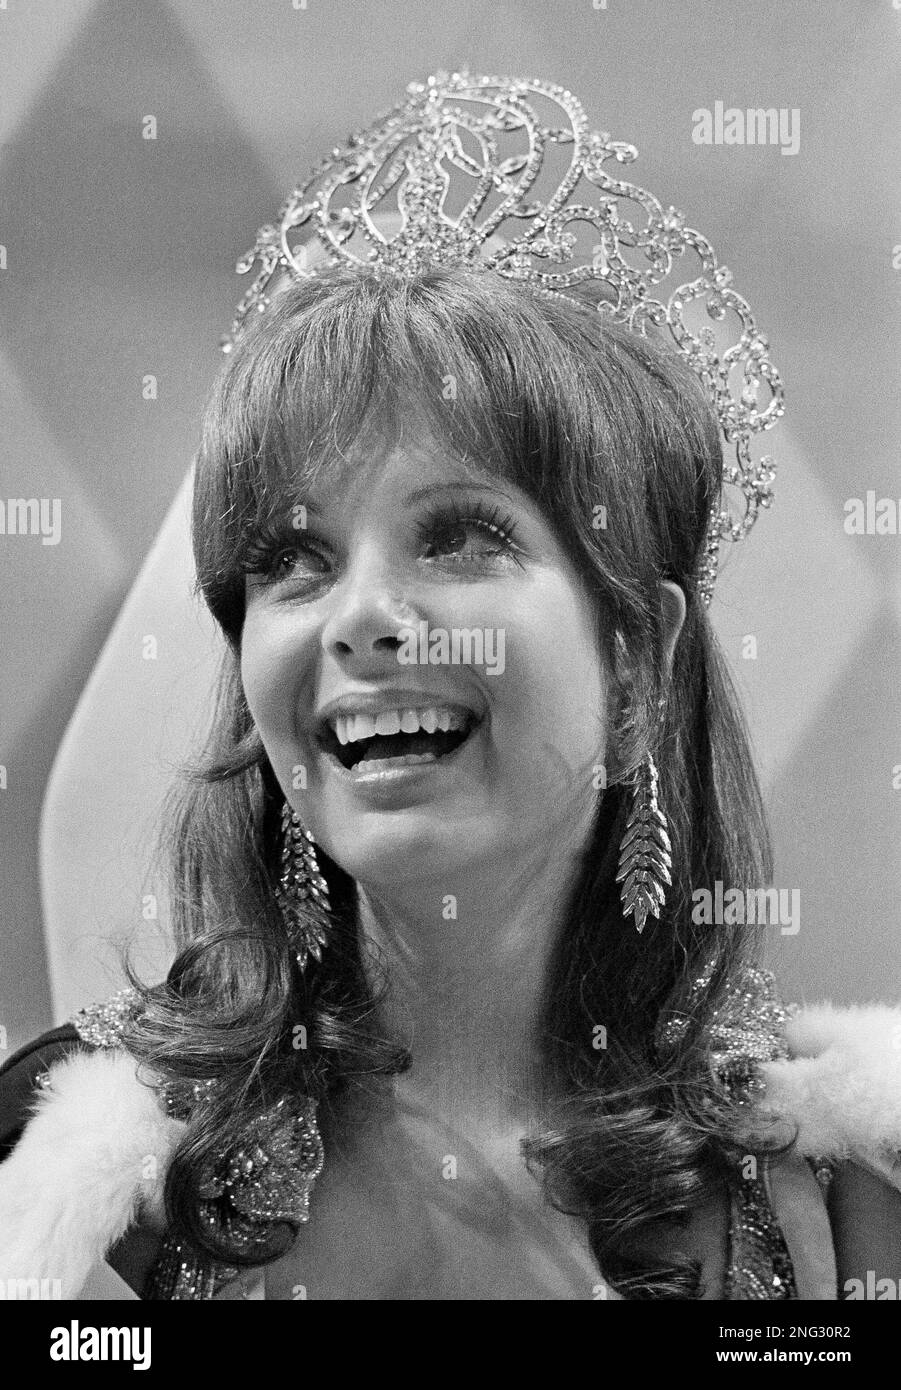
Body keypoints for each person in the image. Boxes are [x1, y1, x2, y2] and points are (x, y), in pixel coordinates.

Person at [1, 71, 899, 1301]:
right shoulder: (72, 1193)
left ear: (637, 661)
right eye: (294, 560)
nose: (363, 618)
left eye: (461, 536)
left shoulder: (842, 1199)